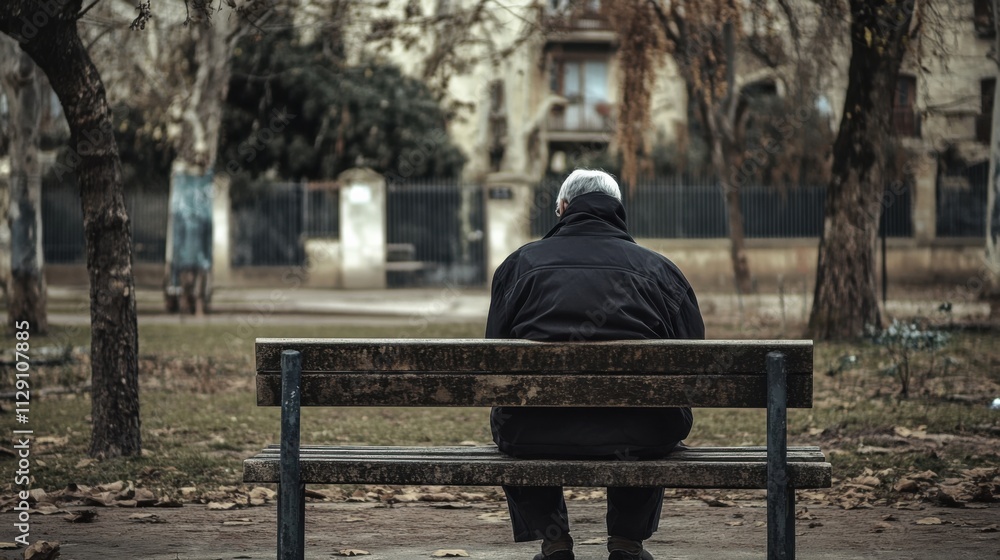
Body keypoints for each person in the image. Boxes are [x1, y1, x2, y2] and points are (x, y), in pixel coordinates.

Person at [486, 169, 705, 560]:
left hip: (533, 431)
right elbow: (694, 362)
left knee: (512, 413)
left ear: (563, 208)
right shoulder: (660, 270)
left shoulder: (519, 266)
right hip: (640, 433)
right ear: (617, 211)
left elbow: (493, 360)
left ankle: (554, 542)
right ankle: (626, 541)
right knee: (653, 412)